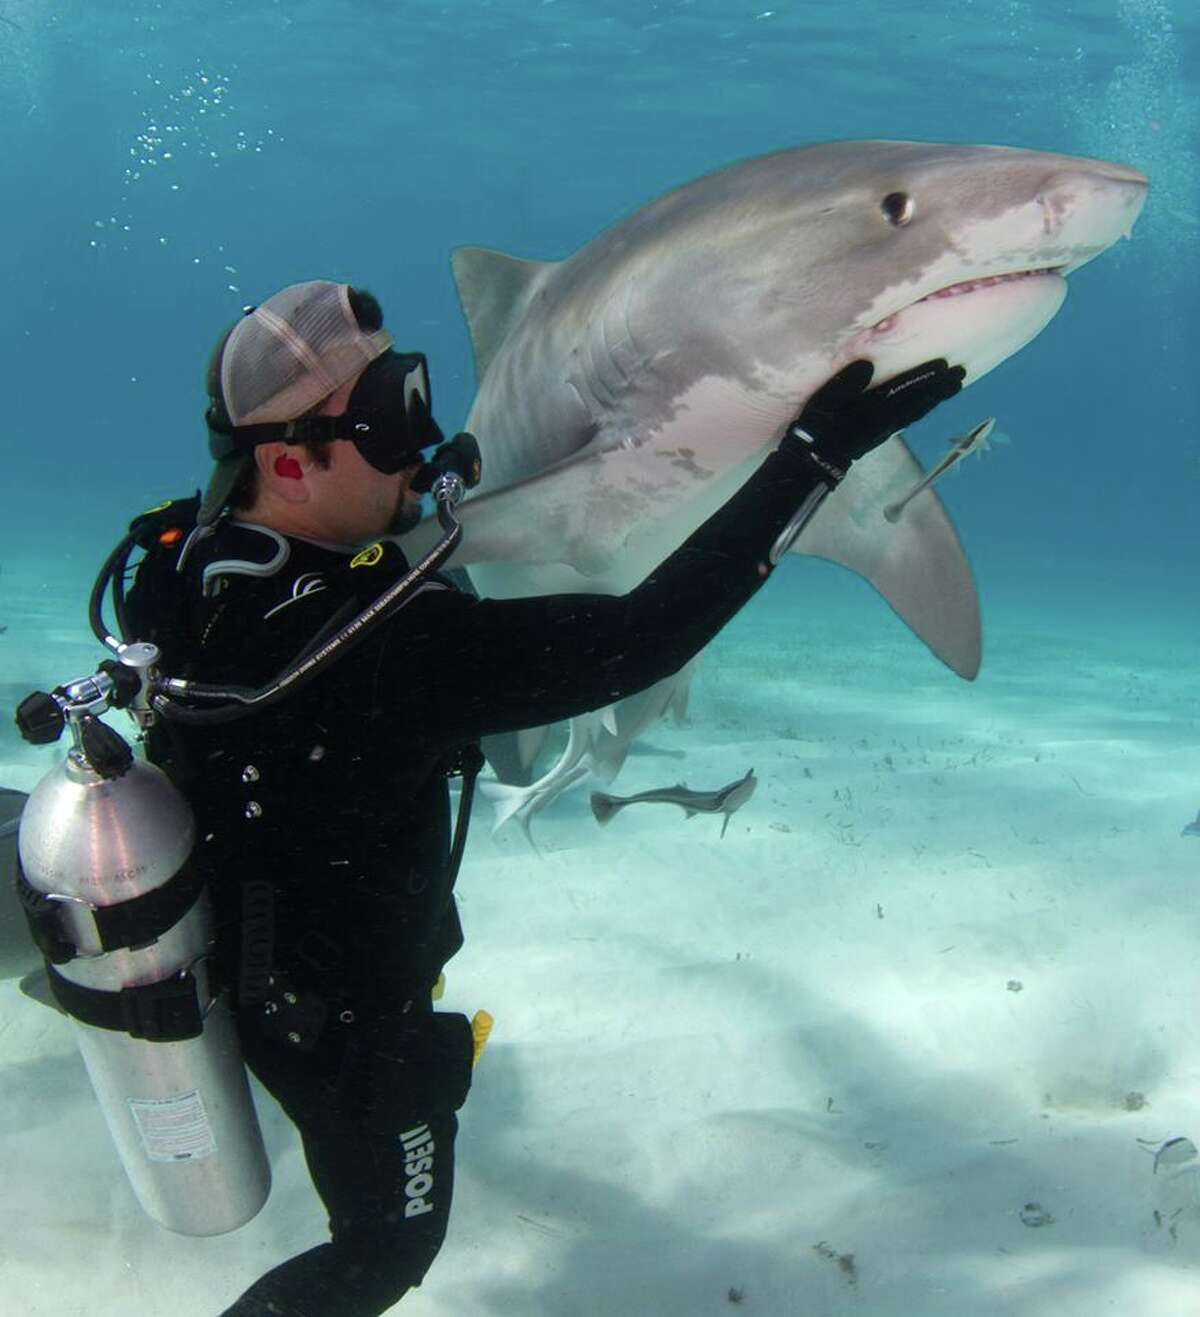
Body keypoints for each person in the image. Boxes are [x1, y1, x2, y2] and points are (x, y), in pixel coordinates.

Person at [123, 279, 963, 1316]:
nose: (417, 444)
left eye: (409, 394)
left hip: (227, 946)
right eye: (385, 422)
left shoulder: (176, 553)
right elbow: (637, 641)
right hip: (340, 1026)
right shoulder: (381, 649)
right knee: (385, 1249)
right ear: (288, 463)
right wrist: (812, 458)